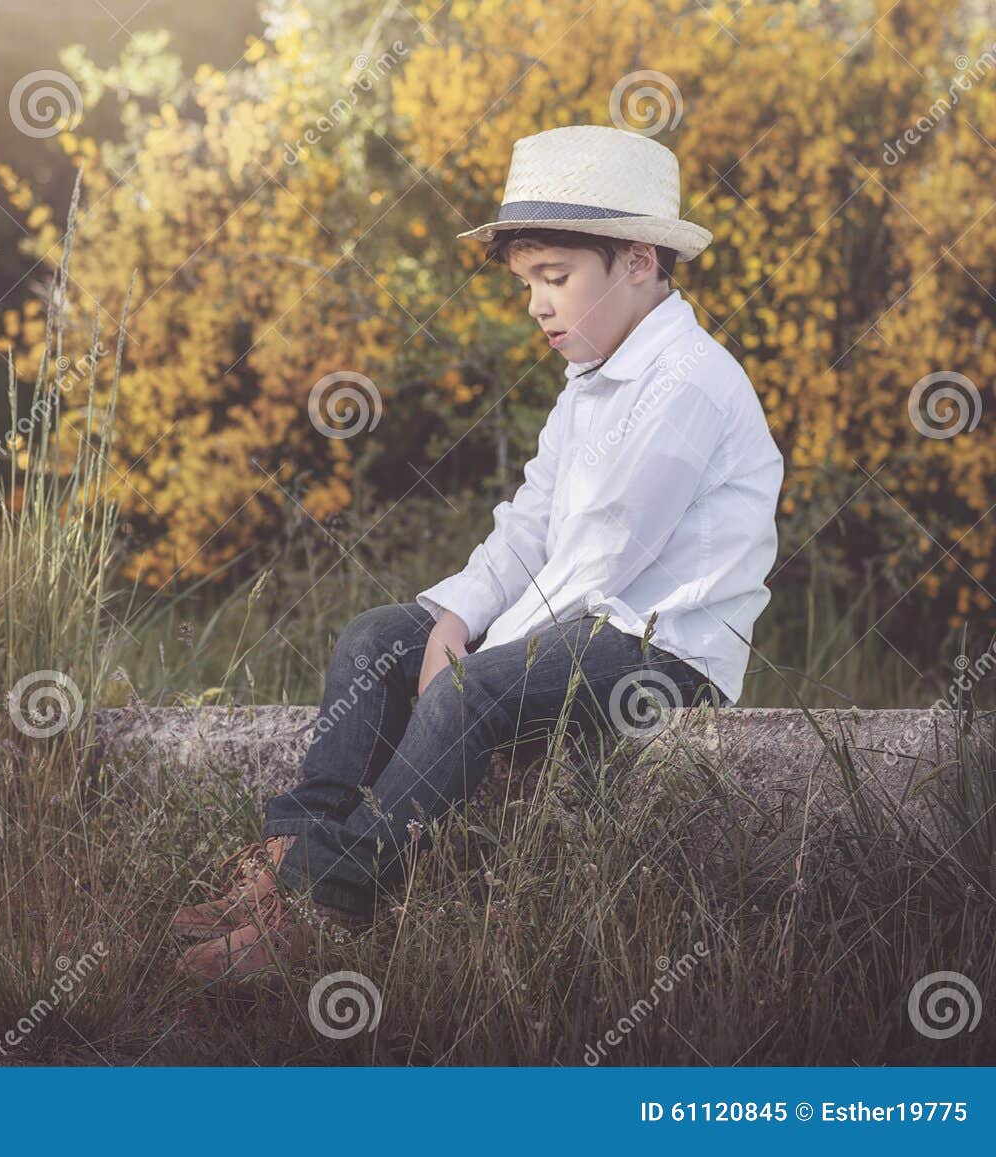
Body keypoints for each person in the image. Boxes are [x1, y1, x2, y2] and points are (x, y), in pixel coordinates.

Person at [172, 123, 785, 987]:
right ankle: (286, 860)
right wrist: (452, 615)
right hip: (582, 616)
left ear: (640, 261)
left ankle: (319, 909)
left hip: (660, 648)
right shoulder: (592, 382)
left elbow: (598, 563)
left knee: (470, 689)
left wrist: (463, 670)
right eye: (527, 281)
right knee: (376, 637)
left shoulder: (685, 382)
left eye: (556, 278)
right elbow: (531, 522)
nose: (536, 304)